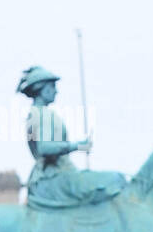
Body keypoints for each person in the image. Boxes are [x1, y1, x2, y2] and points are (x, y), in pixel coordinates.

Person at [15, 65, 124, 211]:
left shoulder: (37, 114)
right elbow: (44, 148)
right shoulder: (40, 114)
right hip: (53, 177)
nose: (56, 91)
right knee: (115, 180)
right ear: (41, 89)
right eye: (52, 86)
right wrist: (78, 146)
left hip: (55, 175)